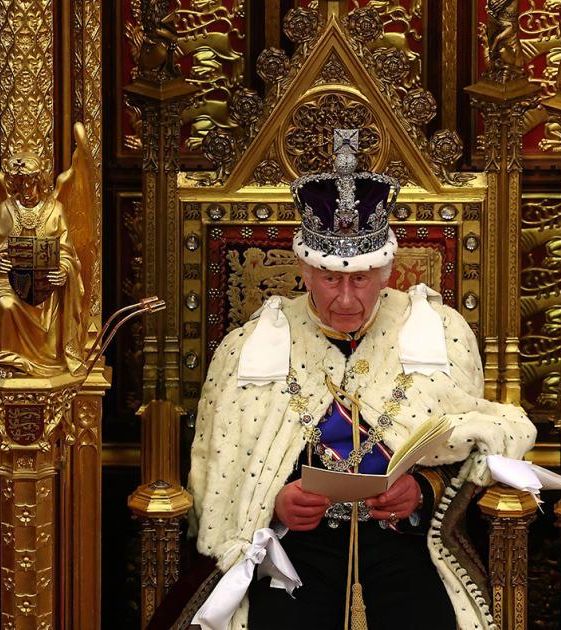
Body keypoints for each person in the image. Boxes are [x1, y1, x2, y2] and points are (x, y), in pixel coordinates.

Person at [188, 130, 537, 630]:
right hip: (294, 551)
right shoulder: (249, 346)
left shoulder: (439, 332)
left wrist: (423, 493)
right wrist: (276, 505)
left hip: (403, 543)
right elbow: (224, 470)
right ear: (305, 270)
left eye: (361, 279)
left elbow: (472, 446)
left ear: (387, 271)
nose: (347, 298)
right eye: (331, 279)